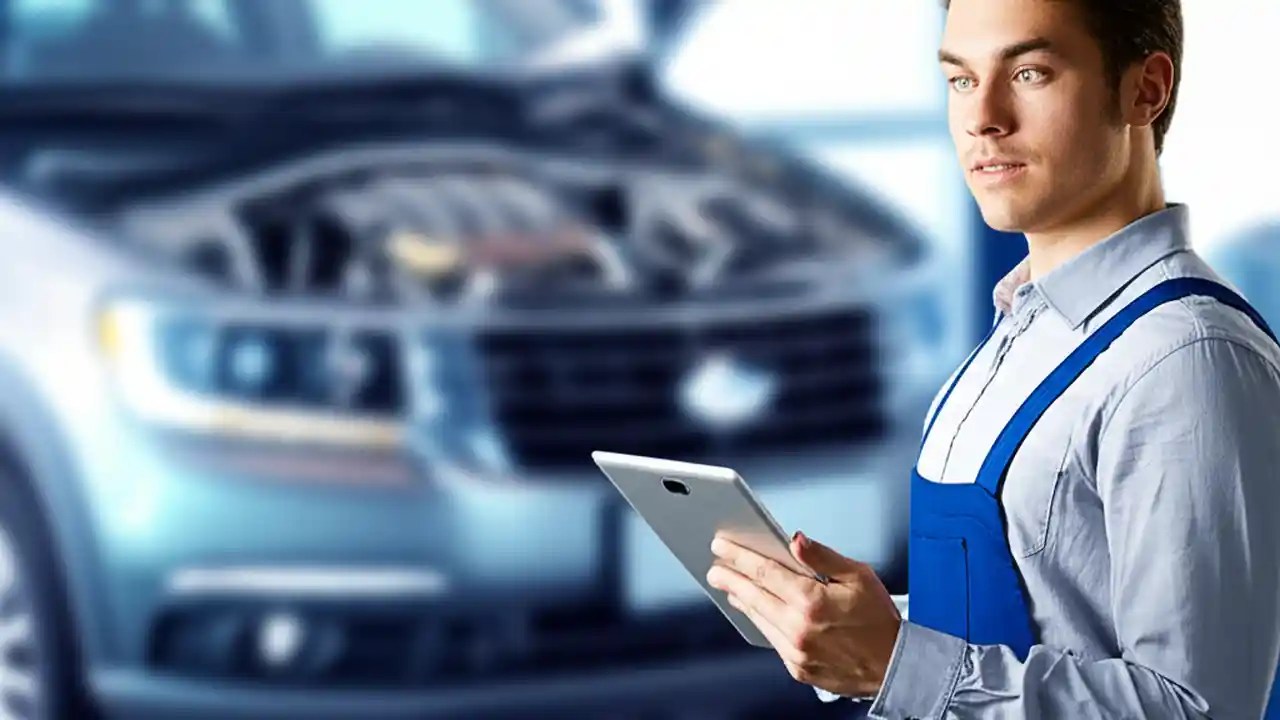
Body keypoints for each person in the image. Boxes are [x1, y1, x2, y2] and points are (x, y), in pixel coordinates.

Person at [705, 0, 1280, 717]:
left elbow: (1197, 707)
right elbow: (1033, 622)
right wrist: (852, 629)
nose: (983, 119)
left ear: (1146, 89)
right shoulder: (1015, 336)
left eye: (1030, 72)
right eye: (960, 81)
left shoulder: (1185, 359)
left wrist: (896, 663)